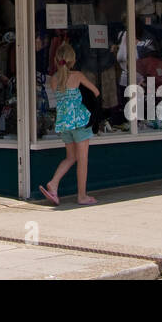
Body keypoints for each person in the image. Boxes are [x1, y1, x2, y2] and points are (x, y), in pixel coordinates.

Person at [38, 45, 101, 206]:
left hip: (64, 124)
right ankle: (82, 196)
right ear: (73, 60)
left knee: (71, 157)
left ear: (56, 60)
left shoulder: (53, 79)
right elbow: (96, 92)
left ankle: (53, 183)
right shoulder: (78, 75)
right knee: (82, 160)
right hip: (80, 122)